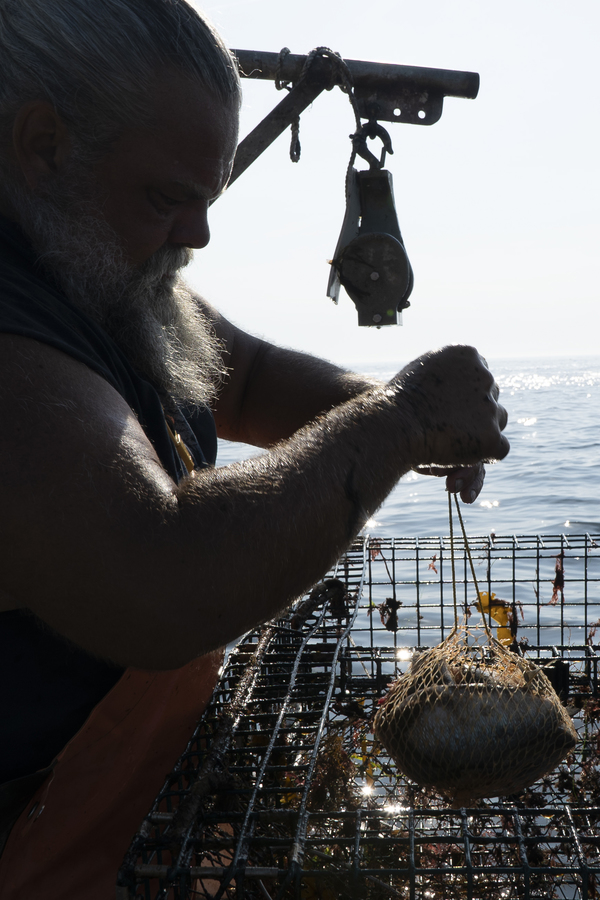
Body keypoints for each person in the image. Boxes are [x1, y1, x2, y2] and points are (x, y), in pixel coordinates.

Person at [0, 0, 508, 896]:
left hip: (125, 793)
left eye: (208, 200)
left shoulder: (95, 260)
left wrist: (392, 412)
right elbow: (156, 581)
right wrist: (397, 419)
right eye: (168, 198)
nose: (196, 238)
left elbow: (239, 377)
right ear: (42, 144)